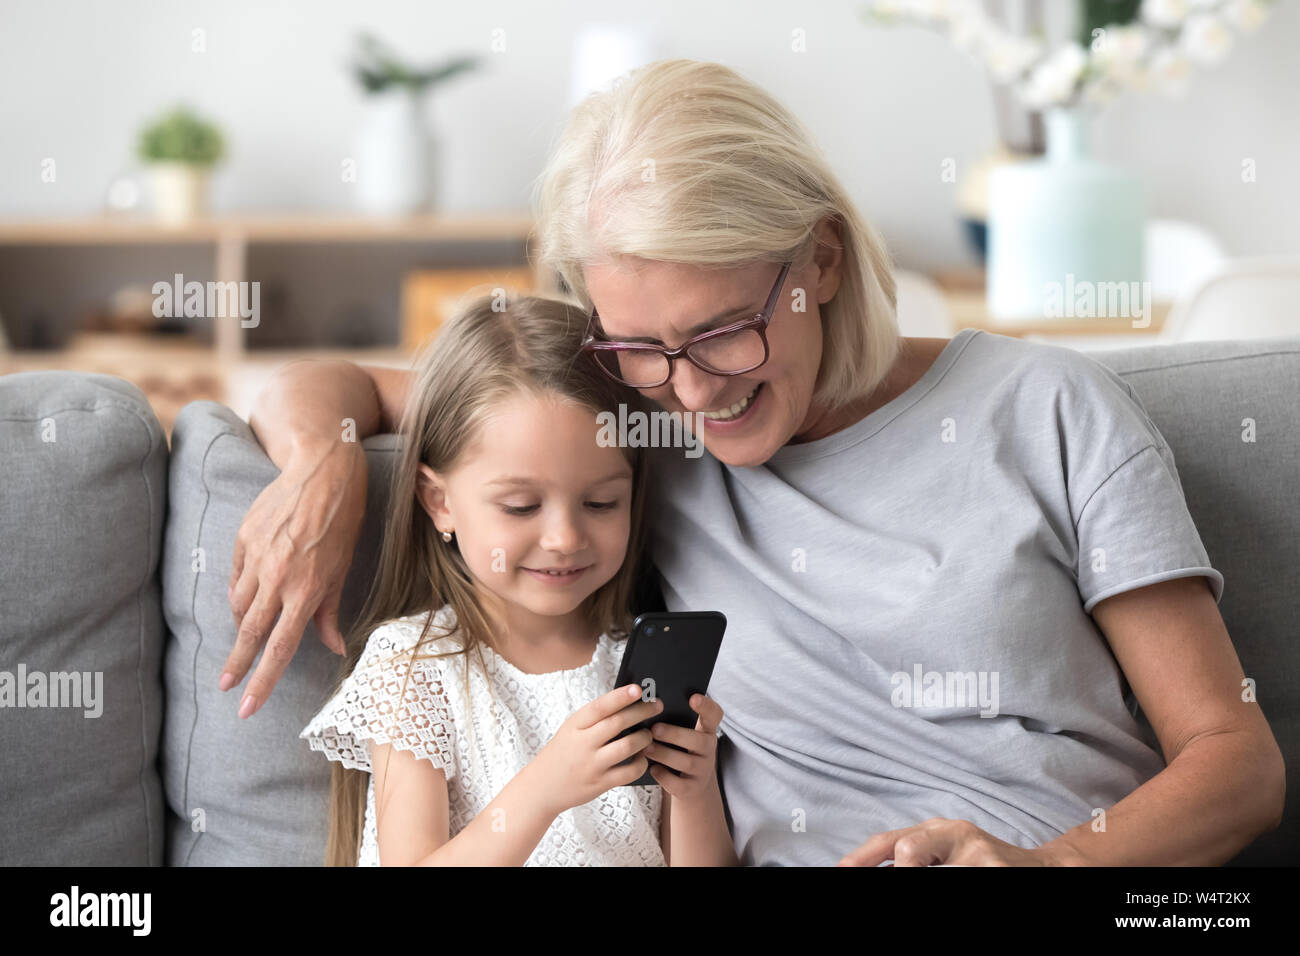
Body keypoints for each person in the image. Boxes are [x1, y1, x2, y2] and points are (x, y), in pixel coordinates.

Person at [224, 59, 1284, 866]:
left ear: (819, 259)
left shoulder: (1046, 409)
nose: (691, 391)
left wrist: (1047, 863)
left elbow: (1235, 760)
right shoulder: (629, 437)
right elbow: (344, 386)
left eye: (724, 329)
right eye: (639, 345)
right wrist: (319, 466)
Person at [297, 293, 735, 866]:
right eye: (522, 506)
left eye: (601, 503)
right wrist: (546, 787)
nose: (564, 538)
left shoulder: (638, 666)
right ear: (440, 503)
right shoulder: (415, 667)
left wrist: (694, 791)